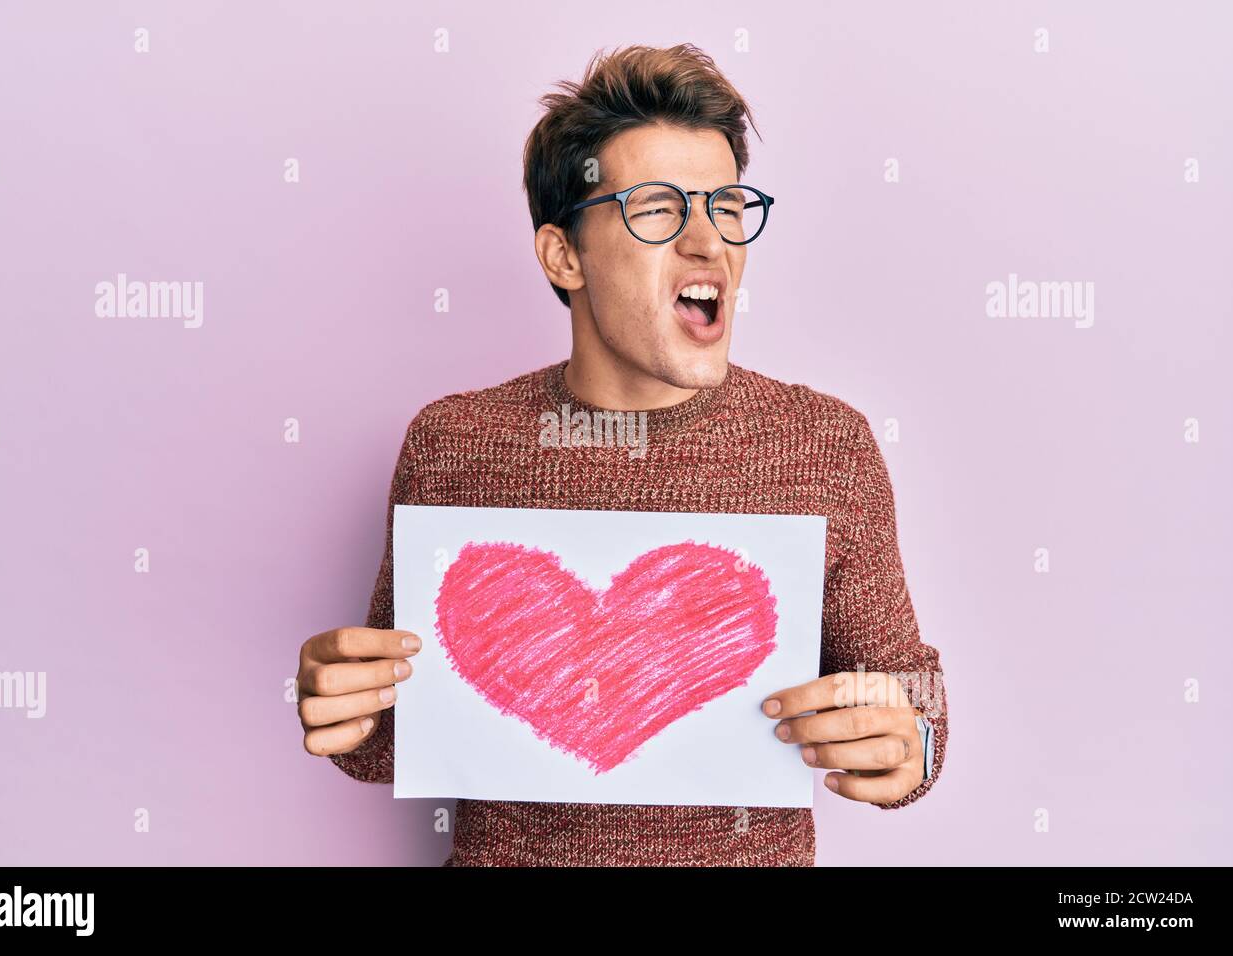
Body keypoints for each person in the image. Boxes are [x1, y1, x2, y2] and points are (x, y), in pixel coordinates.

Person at [295, 42, 948, 866]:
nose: (710, 244)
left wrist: (908, 742)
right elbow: (400, 731)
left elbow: (918, 700)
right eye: (659, 210)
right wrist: (343, 710)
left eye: (727, 207)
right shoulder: (455, 444)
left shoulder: (826, 447)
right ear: (564, 256)